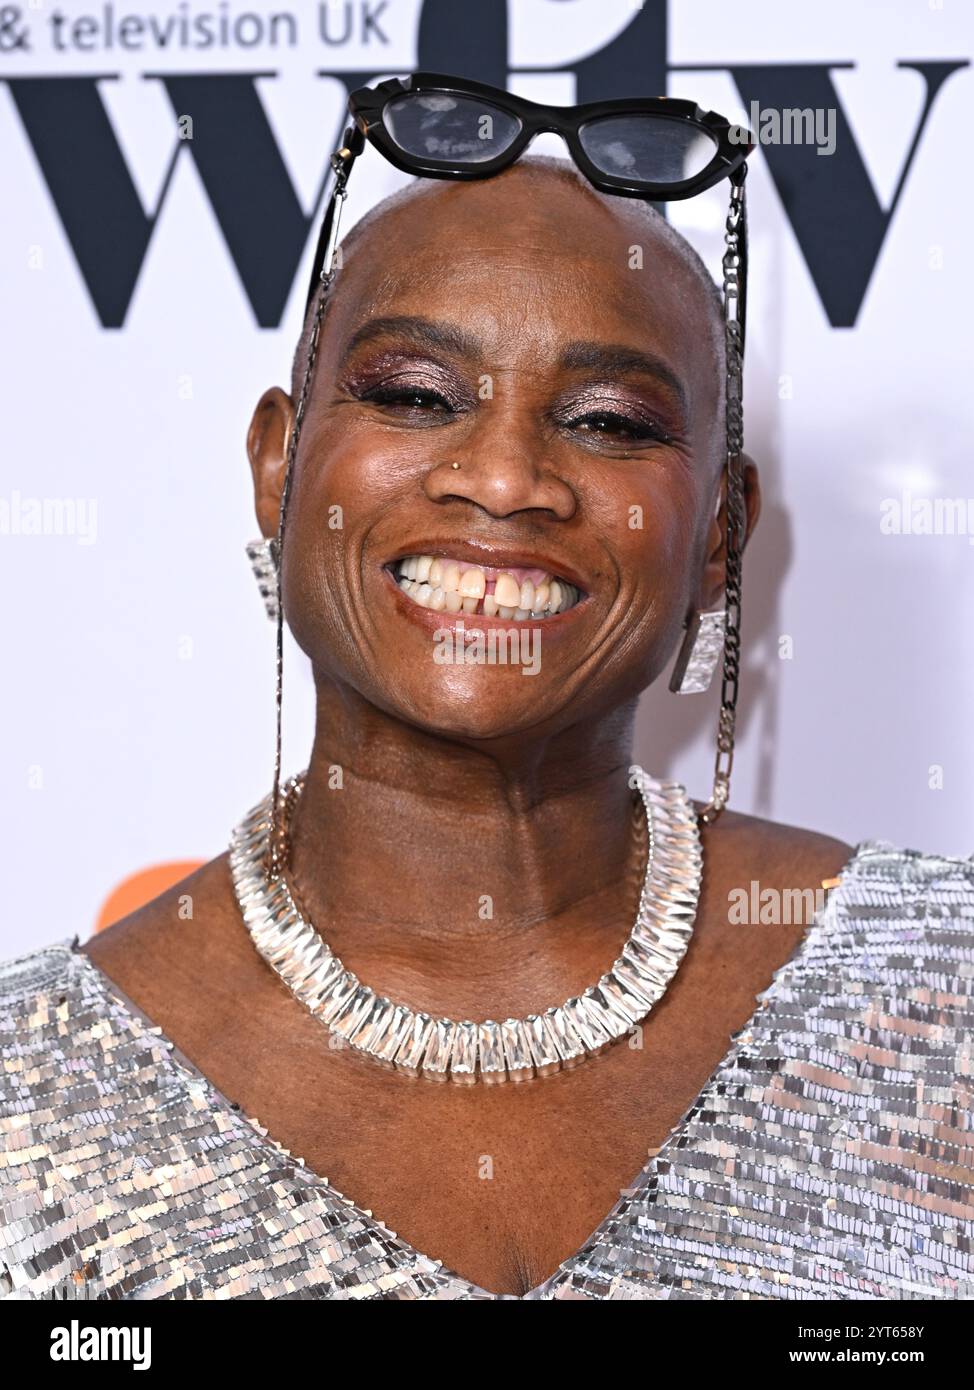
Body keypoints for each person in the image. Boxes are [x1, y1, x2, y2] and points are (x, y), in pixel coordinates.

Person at [1, 78, 971, 1302]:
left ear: (721, 532)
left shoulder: (940, 990)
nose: (505, 478)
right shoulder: (31, 1094)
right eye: (413, 395)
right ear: (278, 466)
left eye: (610, 421)